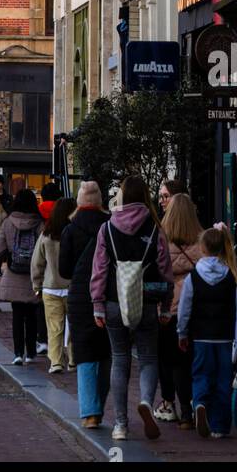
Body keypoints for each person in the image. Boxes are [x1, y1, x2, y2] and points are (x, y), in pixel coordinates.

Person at [91, 174, 174, 442]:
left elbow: (100, 269)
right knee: (149, 358)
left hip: (115, 302)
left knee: (119, 359)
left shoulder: (107, 228)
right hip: (148, 302)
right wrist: (165, 305)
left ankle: (120, 424)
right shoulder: (155, 228)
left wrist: (98, 305)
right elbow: (165, 270)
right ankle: (147, 403)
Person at [177, 226, 237, 439]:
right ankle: (220, 426)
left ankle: (199, 403)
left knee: (201, 375)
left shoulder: (193, 277)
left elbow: (184, 307)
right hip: (225, 338)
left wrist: (181, 332)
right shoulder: (231, 277)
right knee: (223, 381)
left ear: (202, 248)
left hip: (200, 336)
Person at [59, 180, 111, 428]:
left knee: (84, 353)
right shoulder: (110, 226)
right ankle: (100, 401)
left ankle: (90, 411)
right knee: (107, 352)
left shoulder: (70, 229)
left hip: (80, 296)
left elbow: (65, 269)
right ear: (100, 200)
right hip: (108, 294)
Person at [157, 192, 203, 426]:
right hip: (197, 308)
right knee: (194, 359)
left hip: (170, 308)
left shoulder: (161, 240)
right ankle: (196, 403)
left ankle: (177, 407)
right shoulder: (203, 241)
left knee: (172, 361)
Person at [0, 187, 43, 365]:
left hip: (14, 272)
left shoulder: (8, 222)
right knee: (32, 315)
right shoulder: (39, 223)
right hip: (33, 275)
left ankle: (17, 353)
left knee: (17, 316)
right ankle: (31, 353)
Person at [32, 196, 77, 373]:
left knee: (54, 327)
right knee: (73, 326)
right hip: (72, 287)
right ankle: (73, 359)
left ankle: (56, 361)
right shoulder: (74, 232)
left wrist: (37, 285)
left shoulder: (46, 234)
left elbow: (37, 262)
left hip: (51, 286)